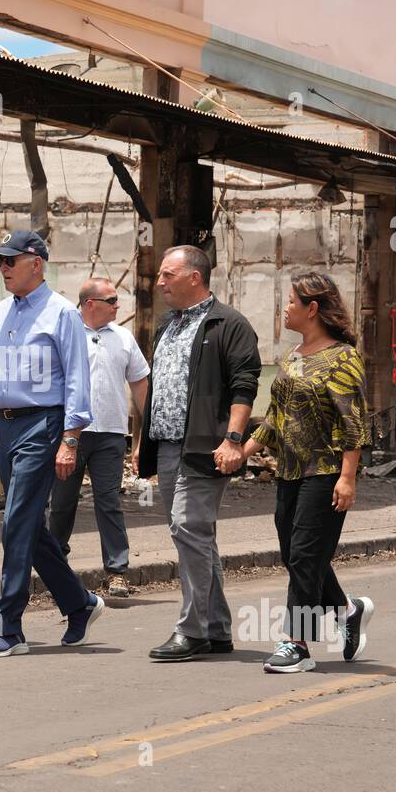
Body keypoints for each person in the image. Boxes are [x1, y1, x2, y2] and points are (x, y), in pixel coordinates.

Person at [0, 229, 105, 657]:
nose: (2, 268)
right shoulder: (0, 315)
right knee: (29, 528)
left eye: (10, 260)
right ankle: (79, 603)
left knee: (15, 521)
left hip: (45, 425)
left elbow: (77, 378)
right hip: (5, 427)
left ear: (35, 263)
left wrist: (71, 439)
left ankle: (11, 627)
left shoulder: (61, 314)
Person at [241, 271, 374, 674]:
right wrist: (240, 452)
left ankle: (296, 643)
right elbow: (276, 419)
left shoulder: (342, 358)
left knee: (303, 556)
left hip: (328, 471)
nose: (284, 308)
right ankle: (348, 610)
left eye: (291, 302)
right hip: (291, 471)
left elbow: (354, 423)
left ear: (312, 309)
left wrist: (348, 477)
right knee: (296, 554)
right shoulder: (294, 356)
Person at [135, 245, 260, 662]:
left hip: (206, 446)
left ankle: (191, 630)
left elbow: (245, 385)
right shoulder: (168, 324)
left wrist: (234, 439)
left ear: (194, 276)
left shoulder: (229, 324)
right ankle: (216, 629)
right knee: (195, 535)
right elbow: (159, 386)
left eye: (168, 275)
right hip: (168, 446)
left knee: (188, 529)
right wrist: (141, 442)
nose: (160, 282)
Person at [48, 277, 149, 597]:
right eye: (112, 300)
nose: (118, 306)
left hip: (110, 434)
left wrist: (146, 436)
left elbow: (140, 387)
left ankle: (117, 572)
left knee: (109, 503)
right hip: (69, 435)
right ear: (90, 304)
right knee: (62, 504)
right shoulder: (65, 334)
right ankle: (54, 567)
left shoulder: (123, 338)